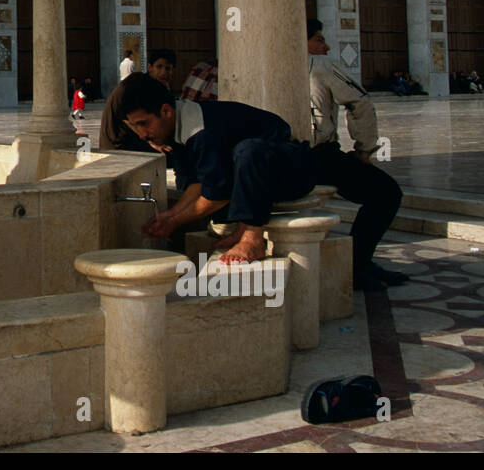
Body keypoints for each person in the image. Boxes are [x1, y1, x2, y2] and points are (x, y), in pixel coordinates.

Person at [113, 75, 315, 265]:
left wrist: (174, 222)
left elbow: (218, 194)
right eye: (135, 126)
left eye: (143, 124)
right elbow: (199, 183)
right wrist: (170, 215)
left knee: (249, 151)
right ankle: (243, 228)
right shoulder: (180, 128)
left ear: (166, 111)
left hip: (293, 168)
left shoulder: (201, 133)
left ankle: (253, 237)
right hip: (262, 175)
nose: (141, 134)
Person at [307, 19, 407, 290]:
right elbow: (360, 102)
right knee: (387, 193)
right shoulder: (320, 65)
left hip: (278, 158)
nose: (325, 46)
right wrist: (364, 149)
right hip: (318, 156)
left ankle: (361, 262)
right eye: (318, 40)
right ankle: (357, 264)